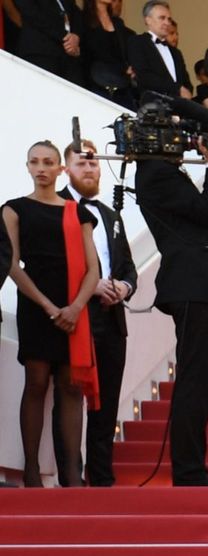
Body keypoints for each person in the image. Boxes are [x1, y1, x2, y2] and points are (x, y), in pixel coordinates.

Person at [134, 138, 208, 487]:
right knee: (197, 379)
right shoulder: (155, 173)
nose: (184, 142)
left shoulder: (168, 174)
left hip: (203, 286)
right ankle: (189, 471)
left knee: (204, 379)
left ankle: (192, 468)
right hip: (192, 284)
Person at [6, 141, 101, 488]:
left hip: (73, 307)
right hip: (35, 303)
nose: (41, 167)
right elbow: (11, 265)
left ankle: (73, 474)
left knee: (71, 387)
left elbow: (94, 268)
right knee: (36, 381)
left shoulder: (78, 212)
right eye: (35, 162)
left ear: (61, 168)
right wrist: (48, 307)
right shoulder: (14, 209)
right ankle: (31, 471)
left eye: (48, 162)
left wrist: (75, 308)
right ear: (27, 167)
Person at [60, 142, 135, 489]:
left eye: (94, 163)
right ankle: (70, 477)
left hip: (112, 320)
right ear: (67, 168)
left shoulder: (111, 214)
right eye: (82, 163)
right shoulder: (55, 207)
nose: (90, 168)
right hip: (76, 318)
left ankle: (102, 477)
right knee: (69, 398)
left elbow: (128, 268)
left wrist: (123, 287)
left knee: (106, 402)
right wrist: (91, 287)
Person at [124, 0, 188, 99]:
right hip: (153, 105)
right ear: (148, 20)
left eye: (169, 19)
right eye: (162, 18)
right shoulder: (137, 42)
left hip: (180, 107)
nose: (167, 22)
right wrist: (177, 88)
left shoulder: (176, 52)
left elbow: (186, 83)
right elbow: (143, 75)